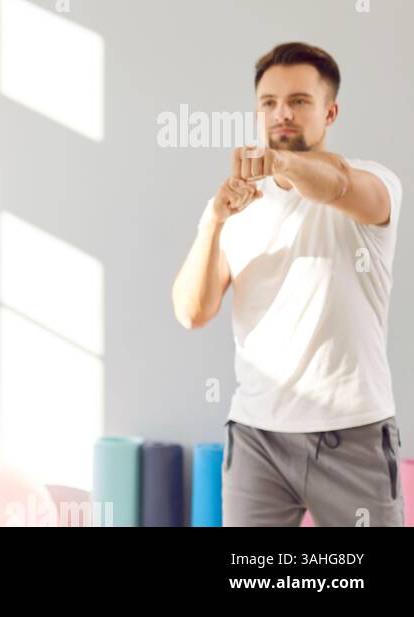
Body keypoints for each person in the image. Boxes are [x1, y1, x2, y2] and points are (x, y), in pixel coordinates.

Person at [171, 43, 403, 527]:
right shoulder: (236, 207)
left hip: (353, 433)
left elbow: (337, 182)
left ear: (329, 111)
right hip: (258, 438)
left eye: (299, 101)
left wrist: (280, 164)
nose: (282, 114)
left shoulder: (375, 183)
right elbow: (192, 312)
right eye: (269, 103)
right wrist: (214, 221)